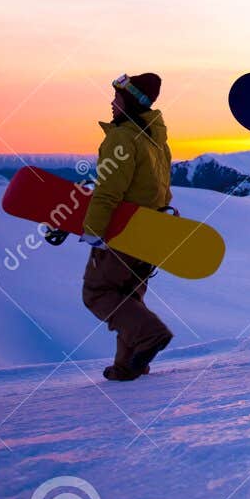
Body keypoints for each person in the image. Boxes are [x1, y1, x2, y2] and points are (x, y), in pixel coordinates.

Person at [80, 72, 175, 382]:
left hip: (123, 231)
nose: (112, 103)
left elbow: (108, 192)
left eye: (118, 98)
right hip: (150, 231)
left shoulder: (122, 138)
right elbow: (163, 189)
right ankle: (129, 365)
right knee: (128, 297)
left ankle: (150, 335)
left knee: (98, 293)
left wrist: (93, 232)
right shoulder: (156, 138)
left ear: (131, 102)